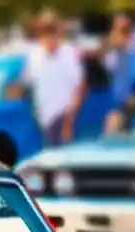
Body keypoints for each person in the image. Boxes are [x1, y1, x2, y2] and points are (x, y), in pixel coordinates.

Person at [21, 10, 85, 148]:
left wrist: (70, 119)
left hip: (63, 118)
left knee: (62, 163)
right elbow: (25, 83)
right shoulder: (34, 56)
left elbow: (79, 86)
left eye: (52, 29)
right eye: (44, 31)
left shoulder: (68, 54)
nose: (48, 35)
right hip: (42, 120)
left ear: (58, 32)